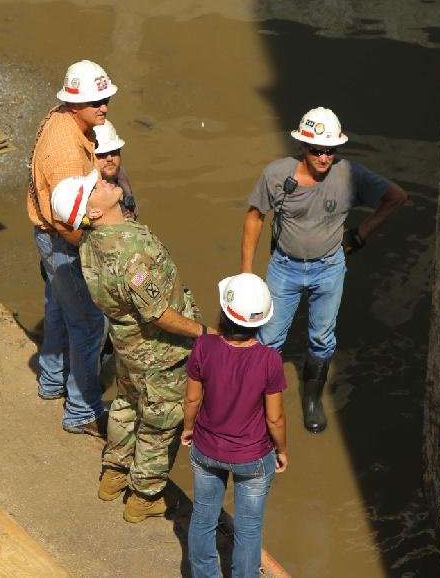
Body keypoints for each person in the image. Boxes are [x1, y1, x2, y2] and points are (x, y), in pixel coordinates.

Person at [50, 170, 210, 523]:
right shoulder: (131, 254)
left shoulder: (91, 242)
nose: (103, 181)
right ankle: (145, 495)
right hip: (159, 351)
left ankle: (114, 474)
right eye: (94, 188)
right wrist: (202, 331)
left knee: (126, 403)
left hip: (127, 344)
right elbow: (159, 314)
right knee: (160, 421)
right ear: (92, 212)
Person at [240, 106, 408, 433]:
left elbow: (397, 197)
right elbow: (254, 217)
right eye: (316, 150)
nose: (324, 157)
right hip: (284, 267)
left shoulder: (350, 175)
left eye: (330, 150)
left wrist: (361, 234)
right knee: (269, 338)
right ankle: (259, 402)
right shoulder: (276, 175)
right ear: (302, 146)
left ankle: (312, 399)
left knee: (321, 337)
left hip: (329, 268)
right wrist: (247, 272)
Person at [27, 60, 118, 437]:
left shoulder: (62, 118)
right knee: (88, 323)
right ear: (76, 103)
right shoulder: (65, 153)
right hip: (62, 240)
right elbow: (68, 221)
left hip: (47, 237)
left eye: (106, 98)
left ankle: (51, 382)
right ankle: (81, 410)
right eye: (97, 101)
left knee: (58, 309)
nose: (104, 107)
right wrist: (96, 251)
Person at [182, 273, 287, 578]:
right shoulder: (269, 360)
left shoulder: (203, 347)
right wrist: (282, 450)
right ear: (262, 319)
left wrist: (189, 428)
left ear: (225, 312)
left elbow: (192, 401)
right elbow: (275, 418)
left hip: (206, 449)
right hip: (252, 456)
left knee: (203, 517)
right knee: (249, 529)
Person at [93, 121, 137, 219]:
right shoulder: (83, 192)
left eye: (114, 152)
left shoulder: (120, 174)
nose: (110, 158)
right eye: (101, 154)